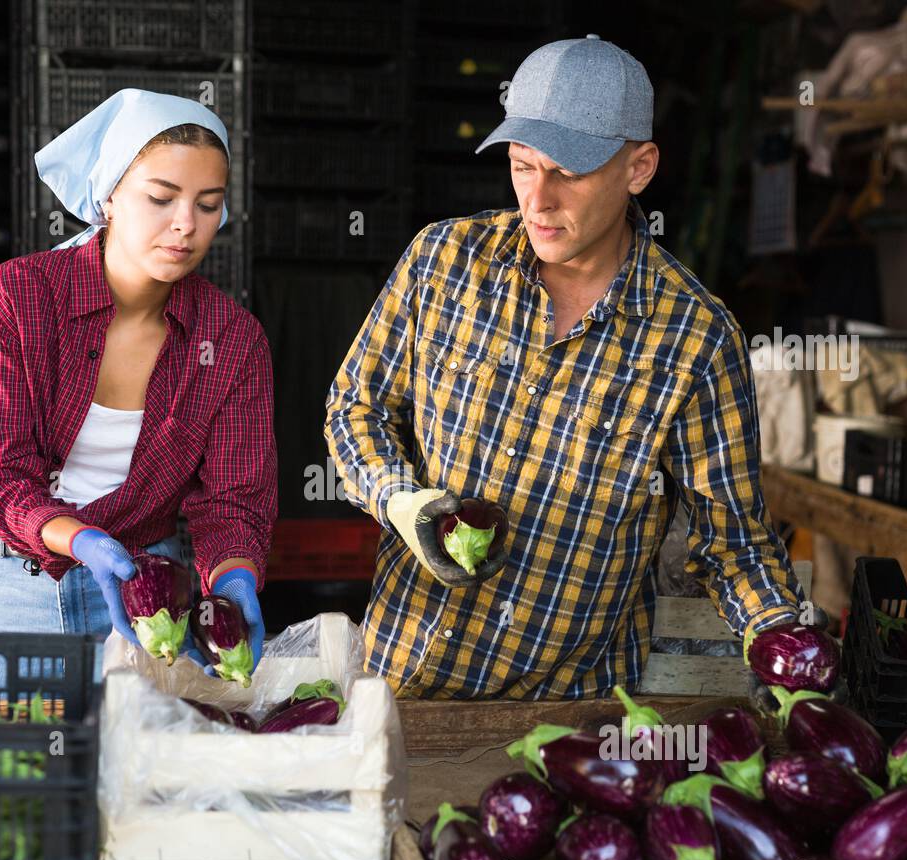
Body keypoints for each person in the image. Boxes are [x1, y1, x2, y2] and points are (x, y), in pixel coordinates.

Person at [324, 37, 805, 700]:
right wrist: (397, 499)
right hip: (402, 685)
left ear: (638, 168)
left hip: (568, 720)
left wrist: (785, 643)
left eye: (569, 174)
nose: (539, 200)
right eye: (523, 166)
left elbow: (734, 542)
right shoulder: (441, 262)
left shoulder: (695, 339)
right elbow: (357, 407)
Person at [0, 89, 275, 692]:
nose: (185, 225)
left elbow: (234, 500)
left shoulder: (232, 340)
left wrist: (232, 575)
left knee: (136, 780)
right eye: (160, 198)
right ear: (109, 198)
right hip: (11, 590)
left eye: (208, 204)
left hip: (151, 600)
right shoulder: (17, 300)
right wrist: (82, 538)